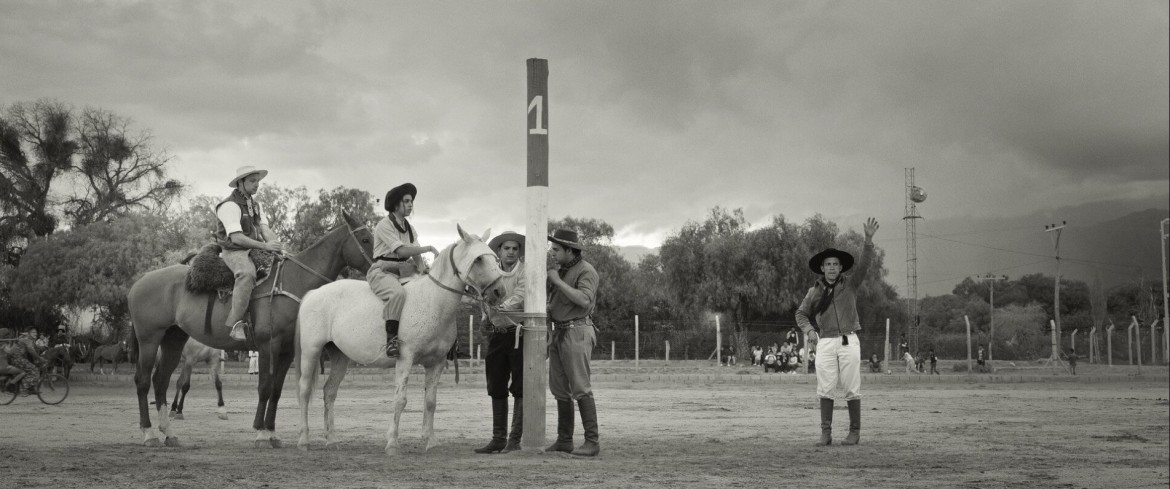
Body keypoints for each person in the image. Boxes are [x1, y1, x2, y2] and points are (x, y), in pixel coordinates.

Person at [795, 217, 878, 446]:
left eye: (835, 264)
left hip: (849, 340)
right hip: (825, 342)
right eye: (828, 264)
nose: (831, 268)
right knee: (825, 387)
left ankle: (854, 432)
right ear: (822, 268)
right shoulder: (814, 292)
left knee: (852, 387)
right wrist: (810, 331)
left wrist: (868, 240)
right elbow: (800, 314)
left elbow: (865, 264)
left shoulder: (851, 284)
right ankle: (826, 433)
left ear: (841, 267)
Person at [544, 229, 601, 457]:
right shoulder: (563, 270)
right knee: (560, 389)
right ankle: (565, 440)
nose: (553, 253)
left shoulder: (586, 271)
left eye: (556, 249)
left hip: (577, 331)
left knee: (580, 388)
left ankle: (592, 442)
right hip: (559, 333)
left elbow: (585, 301)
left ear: (570, 250)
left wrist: (557, 282)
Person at [214, 166, 286, 342]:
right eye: (252, 181)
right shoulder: (229, 205)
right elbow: (237, 238)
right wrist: (265, 246)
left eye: (258, 181)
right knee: (247, 274)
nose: (257, 185)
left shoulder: (254, 205)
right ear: (240, 183)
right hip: (234, 251)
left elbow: (264, 229)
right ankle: (235, 323)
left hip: (253, 248)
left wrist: (278, 247)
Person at [367, 183, 438, 356]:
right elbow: (402, 251)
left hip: (405, 270)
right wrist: (428, 248)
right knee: (397, 294)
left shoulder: (410, 228)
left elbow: (416, 255)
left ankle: (443, 341)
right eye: (406, 201)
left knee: (432, 290)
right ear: (396, 204)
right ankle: (391, 341)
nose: (410, 204)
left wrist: (422, 270)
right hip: (382, 271)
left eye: (411, 201)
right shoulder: (384, 225)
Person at [474, 231, 527, 454]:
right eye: (507, 248)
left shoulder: (524, 271)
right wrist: (485, 316)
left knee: (519, 387)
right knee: (496, 384)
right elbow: (484, 295)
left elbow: (523, 293)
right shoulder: (492, 271)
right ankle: (498, 438)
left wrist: (504, 306)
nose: (511, 252)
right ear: (499, 251)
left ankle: (514, 439)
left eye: (515, 249)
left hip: (518, 333)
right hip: (497, 333)